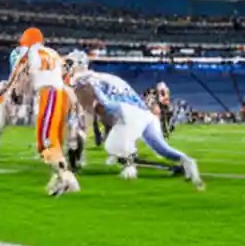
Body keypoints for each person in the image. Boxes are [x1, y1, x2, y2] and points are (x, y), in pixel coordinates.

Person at [69, 69, 203, 189]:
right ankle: (186, 160)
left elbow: (105, 104)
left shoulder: (97, 90)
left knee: (113, 146)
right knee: (162, 149)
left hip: (132, 115)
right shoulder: (110, 82)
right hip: (145, 114)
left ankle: (129, 167)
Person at [0, 28, 79, 196]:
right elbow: (64, 71)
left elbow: (18, 74)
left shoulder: (30, 52)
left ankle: (66, 178)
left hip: (48, 95)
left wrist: (9, 90)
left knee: (45, 145)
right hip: (60, 94)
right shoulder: (53, 52)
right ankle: (61, 177)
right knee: (53, 143)